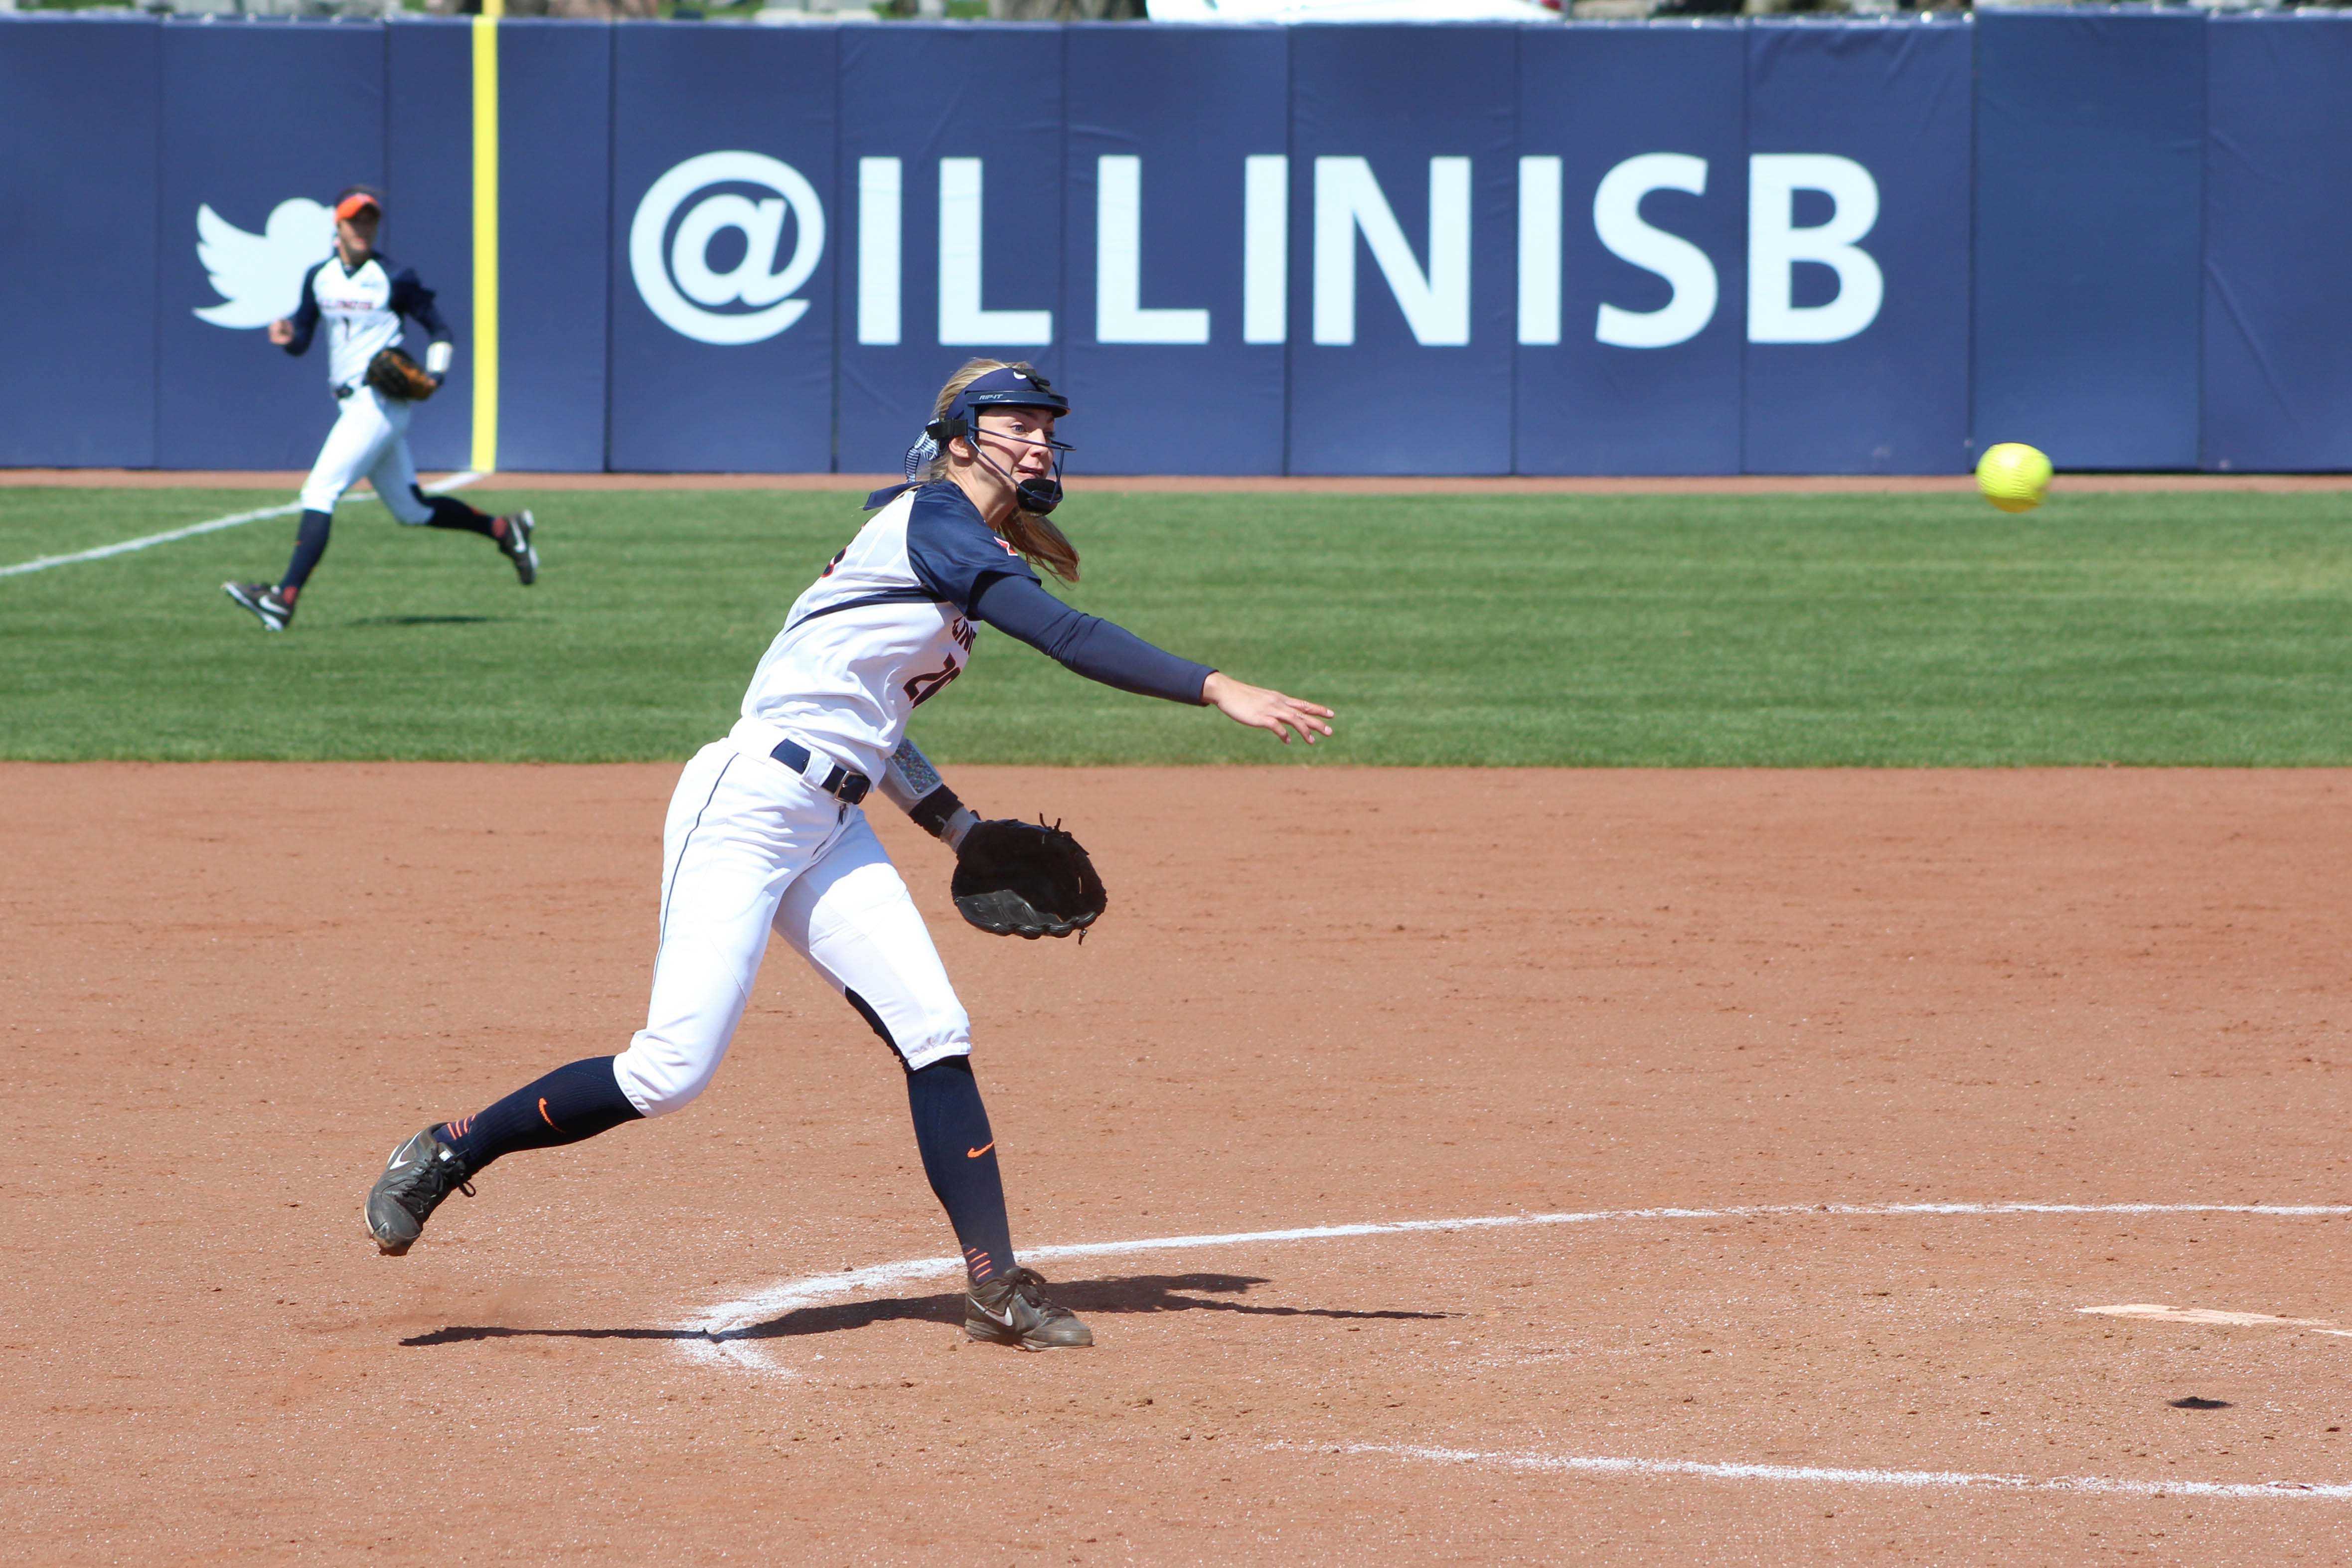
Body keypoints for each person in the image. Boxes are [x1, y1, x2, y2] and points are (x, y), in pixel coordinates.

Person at [362, 358, 1332, 1350]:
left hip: (831, 822)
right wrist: (1214, 687)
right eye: (1018, 423)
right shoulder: (934, 523)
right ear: (960, 435)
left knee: (935, 1028)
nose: (1040, 440)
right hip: (742, 806)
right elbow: (1067, 636)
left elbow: (872, 723)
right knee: (669, 1072)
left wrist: (954, 825)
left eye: (1049, 426)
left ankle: (995, 1286)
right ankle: (450, 1149)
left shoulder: (966, 545)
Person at [222, 186, 536, 632]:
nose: (364, 227)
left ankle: (283, 599)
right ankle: (505, 531)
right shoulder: (320, 277)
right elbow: (304, 339)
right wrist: (287, 339)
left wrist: (437, 376)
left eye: (370, 219)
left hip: (380, 403)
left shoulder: (394, 277)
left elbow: (440, 330)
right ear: (338, 225)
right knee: (412, 510)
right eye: (355, 220)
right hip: (352, 404)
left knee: (319, 492)